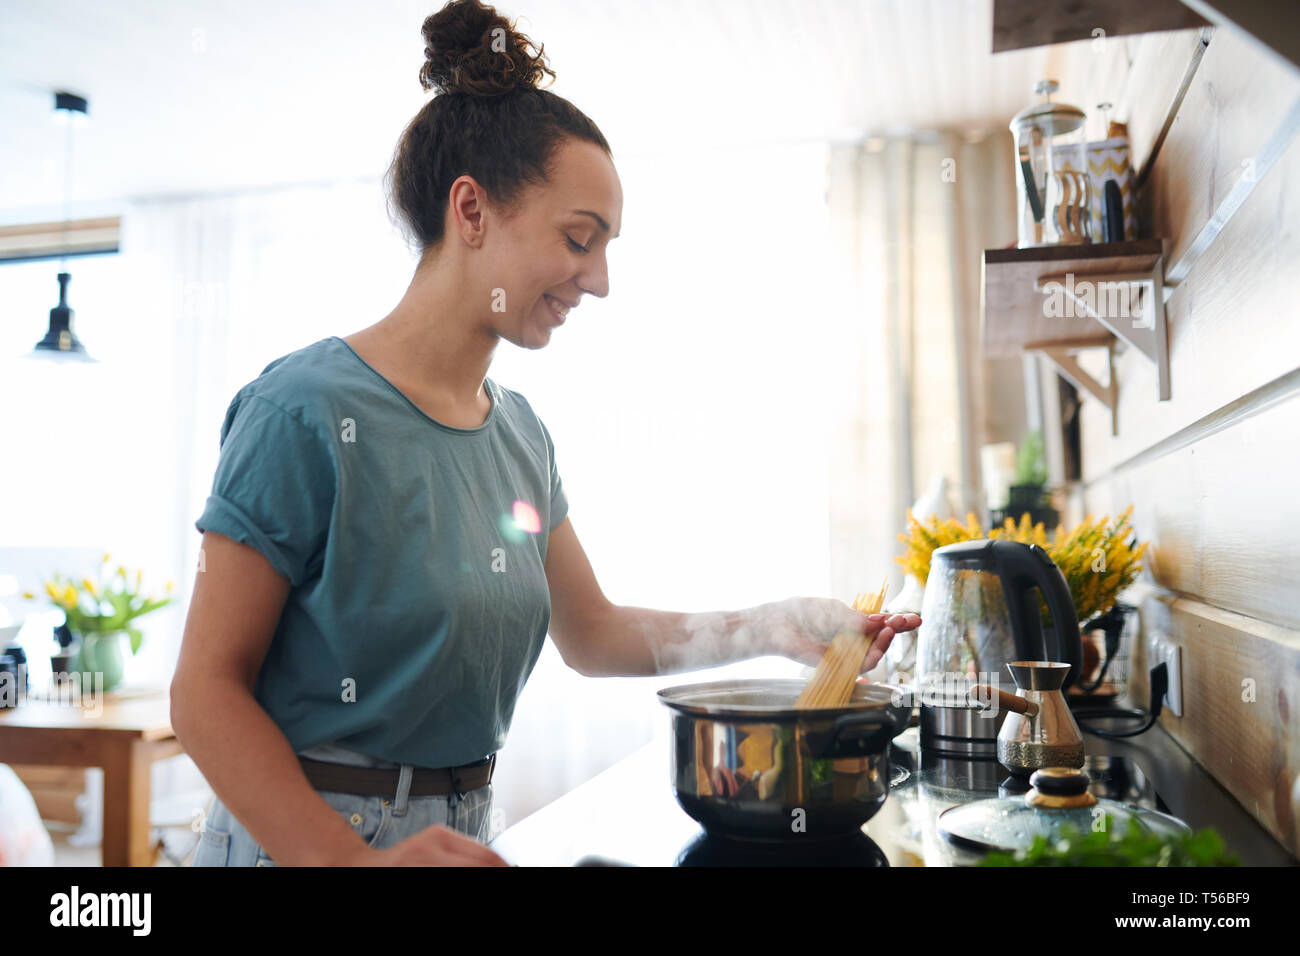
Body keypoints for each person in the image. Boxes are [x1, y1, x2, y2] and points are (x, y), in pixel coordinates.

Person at [171, 0, 922, 868]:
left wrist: (772, 626)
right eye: (579, 239)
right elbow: (203, 693)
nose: (598, 281)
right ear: (472, 210)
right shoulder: (299, 410)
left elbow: (592, 634)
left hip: (462, 830)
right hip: (309, 843)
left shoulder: (519, 434)